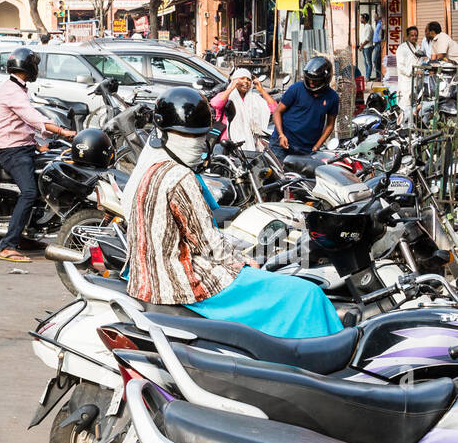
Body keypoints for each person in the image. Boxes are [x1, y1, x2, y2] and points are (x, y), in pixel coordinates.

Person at [126, 87, 342, 337]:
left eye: (198, 137)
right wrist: (243, 262)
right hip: (179, 284)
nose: (195, 144)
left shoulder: (151, 169)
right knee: (306, 295)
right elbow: (209, 245)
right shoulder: (180, 177)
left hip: (148, 280)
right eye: (188, 137)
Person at [0, 47, 75, 263]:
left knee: (44, 182)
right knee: (29, 192)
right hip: (12, 151)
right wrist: (62, 131)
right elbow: (32, 117)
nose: (36, 68)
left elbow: (25, 123)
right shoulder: (12, 91)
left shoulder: (18, 88)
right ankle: (8, 245)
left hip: (24, 146)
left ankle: (25, 236)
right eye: (34, 65)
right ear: (26, 67)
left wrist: (41, 143)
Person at [271, 57, 339, 160]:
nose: (311, 82)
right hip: (281, 145)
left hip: (306, 150)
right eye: (309, 78)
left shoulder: (332, 97)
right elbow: (277, 112)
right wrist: (281, 135)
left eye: (315, 80)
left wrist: (317, 146)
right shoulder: (295, 89)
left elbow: (330, 125)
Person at [210, 68, 276, 150]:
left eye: (248, 79)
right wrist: (231, 88)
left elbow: (274, 109)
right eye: (242, 78)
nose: (246, 81)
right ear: (234, 80)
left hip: (250, 141)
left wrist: (262, 90)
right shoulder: (227, 96)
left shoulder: (254, 98)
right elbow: (215, 104)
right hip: (228, 142)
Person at [396, 25, 425, 119]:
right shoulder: (402, 48)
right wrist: (412, 72)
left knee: (415, 104)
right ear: (407, 36)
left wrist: (419, 71)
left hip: (416, 81)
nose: (414, 37)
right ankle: (405, 127)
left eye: (416, 35)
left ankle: (413, 125)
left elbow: (420, 63)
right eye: (412, 35)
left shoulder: (418, 48)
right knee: (406, 104)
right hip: (406, 80)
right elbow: (400, 66)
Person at [371, 12, 385, 81]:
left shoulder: (380, 24)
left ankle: (379, 76)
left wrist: (381, 41)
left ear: (378, 16)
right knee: (376, 60)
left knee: (375, 60)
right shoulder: (377, 24)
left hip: (379, 43)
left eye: (375, 16)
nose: (374, 18)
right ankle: (378, 76)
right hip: (376, 44)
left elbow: (383, 33)